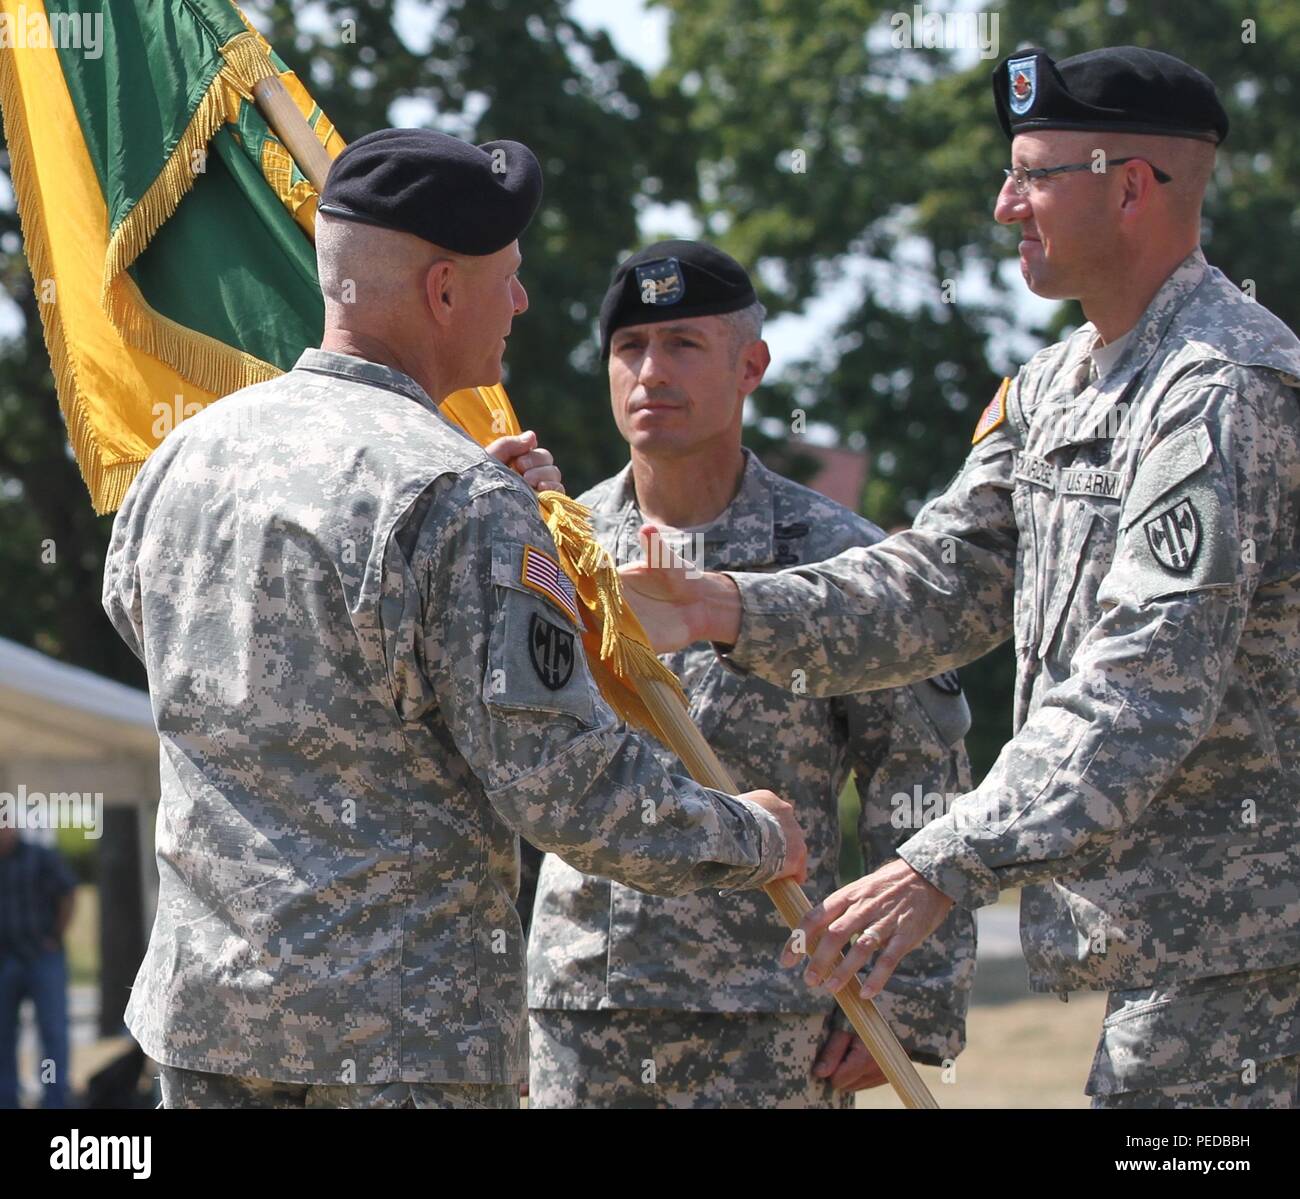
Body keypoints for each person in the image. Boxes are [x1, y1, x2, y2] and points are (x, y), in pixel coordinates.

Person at [620, 48, 1300, 1108]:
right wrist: (729, 607)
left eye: (1031, 174)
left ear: (1128, 186)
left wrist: (944, 857)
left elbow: (1146, 682)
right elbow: (941, 582)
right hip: (1178, 943)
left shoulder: (1216, 390)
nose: (1002, 206)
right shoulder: (1055, 385)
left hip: (1250, 949)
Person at [101, 128, 805, 1110]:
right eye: (506, 277)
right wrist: (752, 833)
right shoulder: (459, 494)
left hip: (206, 1025)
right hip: (401, 1045)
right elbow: (565, 784)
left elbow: (154, 635)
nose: (518, 302)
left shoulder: (181, 460)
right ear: (441, 291)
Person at [525, 241, 975, 1108]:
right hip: (583, 1007)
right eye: (631, 348)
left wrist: (911, 1001)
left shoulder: (837, 558)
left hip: (774, 1015)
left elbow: (920, 775)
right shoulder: (557, 552)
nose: (652, 371)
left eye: (684, 345)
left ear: (751, 366)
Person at [0, 826, 77, 1108]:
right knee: (3, 1036)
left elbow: (68, 894)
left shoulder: (41, 857)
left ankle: (54, 1099)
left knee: (52, 1034)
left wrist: (55, 937)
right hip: (5, 959)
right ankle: (6, 1100)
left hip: (42, 958)